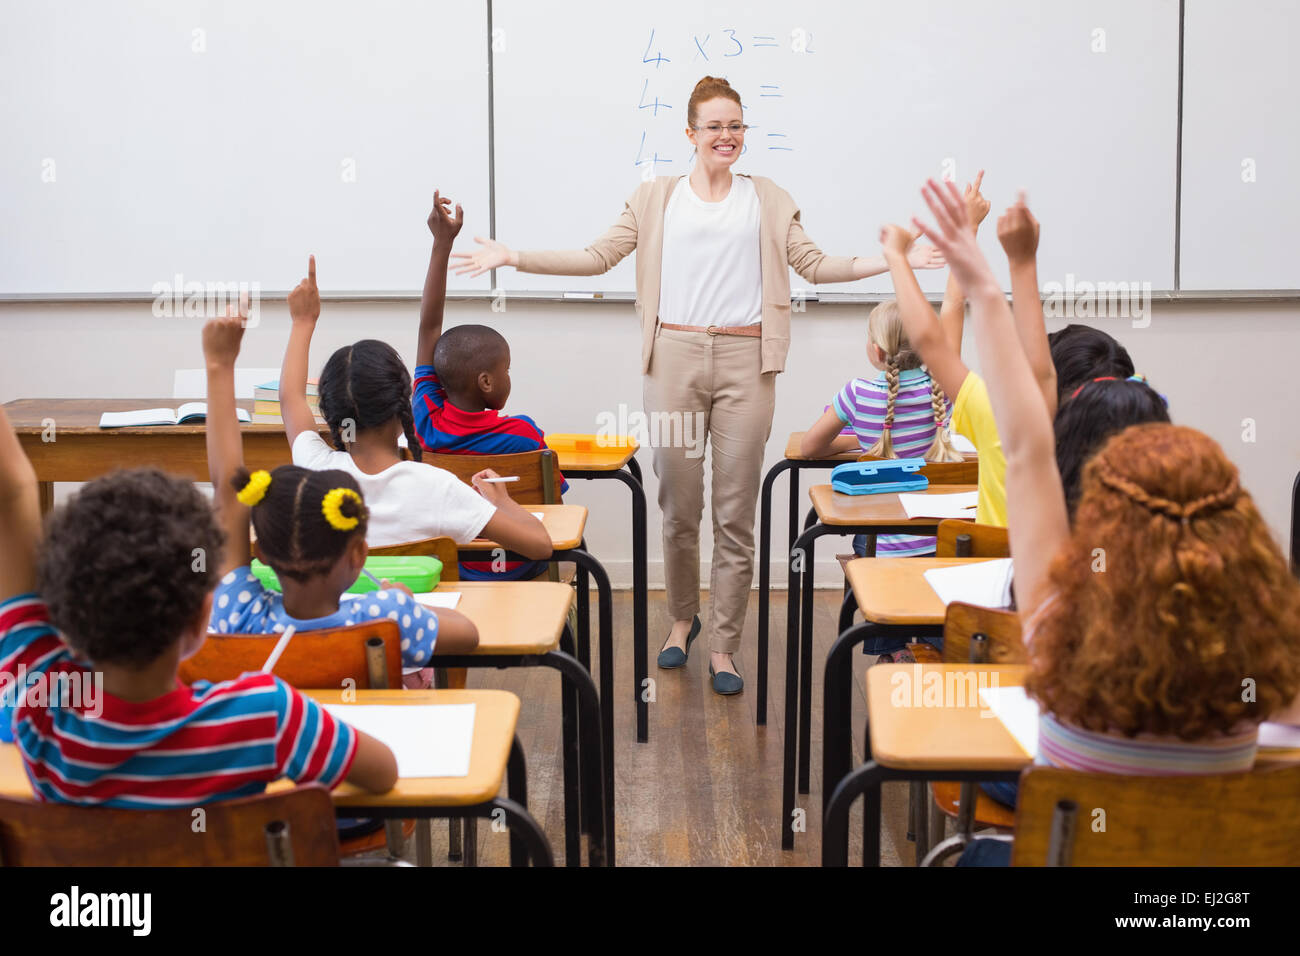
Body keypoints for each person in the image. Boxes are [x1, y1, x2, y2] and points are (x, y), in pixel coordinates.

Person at [451, 76, 944, 693]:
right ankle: (681, 622)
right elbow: (596, 257)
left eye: (735, 125)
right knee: (679, 505)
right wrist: (513, 257)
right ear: (690, 133)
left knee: (736, 513)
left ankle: (727, 647)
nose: (727, 135)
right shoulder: (656, 198)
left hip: (747, 359)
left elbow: (818, 266)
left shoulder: (766, 197)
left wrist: (897, 261)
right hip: (675, 356)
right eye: (714, 125)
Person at [911, 176, 1300, 866]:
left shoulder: (1056, 619)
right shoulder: (1271, 655)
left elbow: (1031, 446)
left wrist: (990, 268)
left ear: (1103, 511)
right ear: (1240, 534)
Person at [0, 402, 397, 807]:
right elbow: (384, 772)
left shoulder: (38, 706)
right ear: (198, 620)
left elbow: (12, 495)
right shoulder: (267, 717)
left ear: (65, 615)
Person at [203, 309, 479, 690]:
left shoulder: (239, 612)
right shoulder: (384, 616)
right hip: (367, 746)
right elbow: (467, 635)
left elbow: (225, 487)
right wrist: (403, 603)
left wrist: (219, 366)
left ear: (262, 553)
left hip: (280, 748)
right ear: (357, 554)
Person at [278, 254, 552, 574]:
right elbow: (540, 545)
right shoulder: (436, 488)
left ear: (330, 411)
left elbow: (290, 397)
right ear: (403, 409)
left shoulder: (314, 471)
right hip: (420, 621)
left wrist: (302, 322)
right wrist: (502, 501)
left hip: (343, 622)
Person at [412, 192, 566, 580]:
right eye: (506, 370)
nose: (509, 377)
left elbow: (429, 328)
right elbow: (554, 507)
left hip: (451, 566)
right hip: (519, 563)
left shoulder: (424, 419)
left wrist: (441, 244)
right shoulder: (524, 435)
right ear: (486, 382)